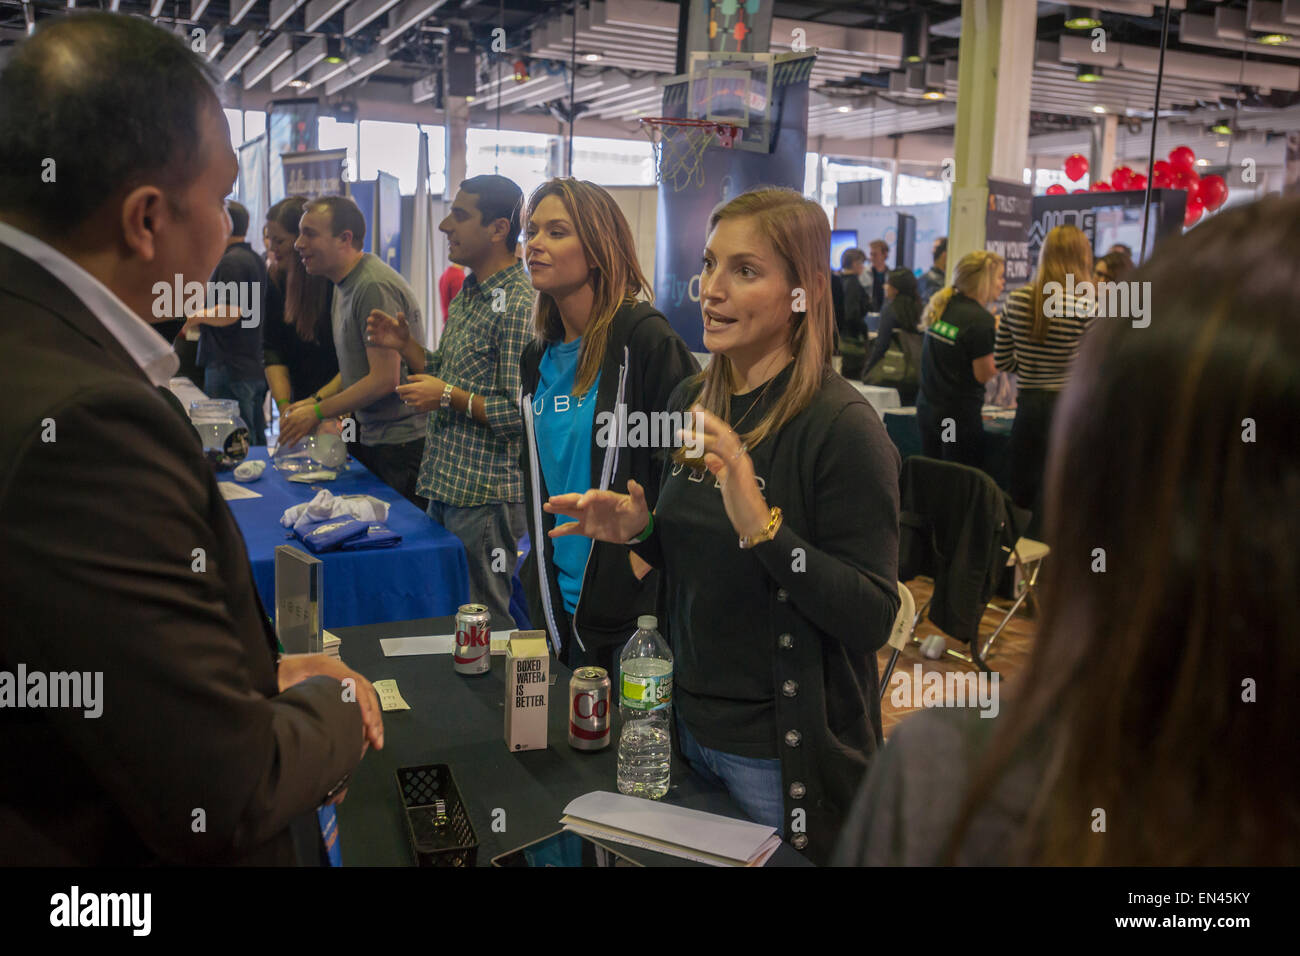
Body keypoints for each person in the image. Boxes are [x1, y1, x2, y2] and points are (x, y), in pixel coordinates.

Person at [0, 12, 380, 866]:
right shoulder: (93, 423)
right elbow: (226, 789)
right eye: (218, 203)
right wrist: (332, 711)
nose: (228, 237)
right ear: (147, 220)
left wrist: (236, 689)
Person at [835, 195, 1300, 866]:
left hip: (1033, 416)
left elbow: (1008, 363)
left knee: (1022, 516)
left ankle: (1015, 578)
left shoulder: (952, 780)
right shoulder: (949, 778)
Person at [544, 188, 901, 864]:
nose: (711, 289)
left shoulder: (842, 428)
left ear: (803, 292)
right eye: (709, 265)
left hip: (775, 756)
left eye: (745, 270)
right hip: (683, 731)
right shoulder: (692, 400)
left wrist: (764, 528)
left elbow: (872, 617)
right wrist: (642, 530)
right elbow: (694, 560)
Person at [519, 177, 697, 673]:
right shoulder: (536, 357)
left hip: (634, 618)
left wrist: (643, 562)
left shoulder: (646, 342)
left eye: (556, 231)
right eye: (531, 231)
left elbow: (689, 469)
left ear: (598, 248)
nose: (534, 243)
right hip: (560, 599)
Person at [366, 175, 533, 628]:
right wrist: (407, 347)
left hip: (487, 494)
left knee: (485, 615)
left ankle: (504, 698)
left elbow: (521, 412)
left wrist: (446, 396)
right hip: (449, 483)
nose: (444, 226)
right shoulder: (470, 292)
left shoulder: (518, 303)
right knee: (454, 610)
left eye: (460, 215)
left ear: (499, 229)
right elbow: (448, 373)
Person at [283, 195, 427, 507]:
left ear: (344, 238)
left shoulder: (371, 286)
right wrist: (314, 401)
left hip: (400, 446)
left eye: (309, 234)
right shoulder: (344, 283)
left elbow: (383, 380)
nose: (297, 244)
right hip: (375, 439)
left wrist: (320, 412)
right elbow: (355, 369)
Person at [995, 226, 1096, 536]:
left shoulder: (1017, 298)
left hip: (1028, 406)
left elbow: (1003, 361)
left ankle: (1014, 569)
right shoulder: (1088, 304)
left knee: (1021, 493)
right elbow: (1094, 368)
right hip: (1069, 409)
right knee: (1061, 493)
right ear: (1082, 257)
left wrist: (1030, 363)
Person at [185, 199, 269, 445]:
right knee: (253, 442)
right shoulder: (253, 259)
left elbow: (231, 311)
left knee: (233, 444)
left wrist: (192, 318)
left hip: (229, 365)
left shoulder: (231, 262)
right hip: (250, 364)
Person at [915, 250, 1005, 467]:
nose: (1002, 284)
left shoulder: (945, 306)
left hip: (928, 411)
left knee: (934, 473)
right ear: (985, 280)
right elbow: (984, 374)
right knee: (955, 475)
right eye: (1000, 277)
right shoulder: (980, 320)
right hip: (952, 420)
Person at [261, 196, 340, 416]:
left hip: (342, 404)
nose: (273, 249)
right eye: (270, 240)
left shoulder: (335, 282)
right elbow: (272, 349)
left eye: (280, 241)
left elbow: (353, 362)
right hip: (303, 401)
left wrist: (316, 405)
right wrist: (285, 406)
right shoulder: (276, 279)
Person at [863, 267, 923, 381]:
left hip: (895, 371)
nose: (885, 287)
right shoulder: (921, 309)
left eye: (888, 284)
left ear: (895, 289)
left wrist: (867, 369)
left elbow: (881, 345)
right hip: (917, 372)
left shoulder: (890, 310)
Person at [918, 236, 947, 304]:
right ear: (944, 254)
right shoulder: (937, 282)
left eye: (936, 248)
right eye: (934, 248)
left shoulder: (923, 278)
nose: (933, 251)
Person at [438, 263, 466, 335]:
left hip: (447, 329)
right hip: (456, 332)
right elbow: (461, 312)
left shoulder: (445, 274)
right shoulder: (459, 277)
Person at [865, 238, 890, 313]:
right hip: (868, 314)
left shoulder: (891, 275)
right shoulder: (864, 274)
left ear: (884, 255)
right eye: (871, 254)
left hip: (885, 314)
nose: (871, 258)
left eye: (875, 255)